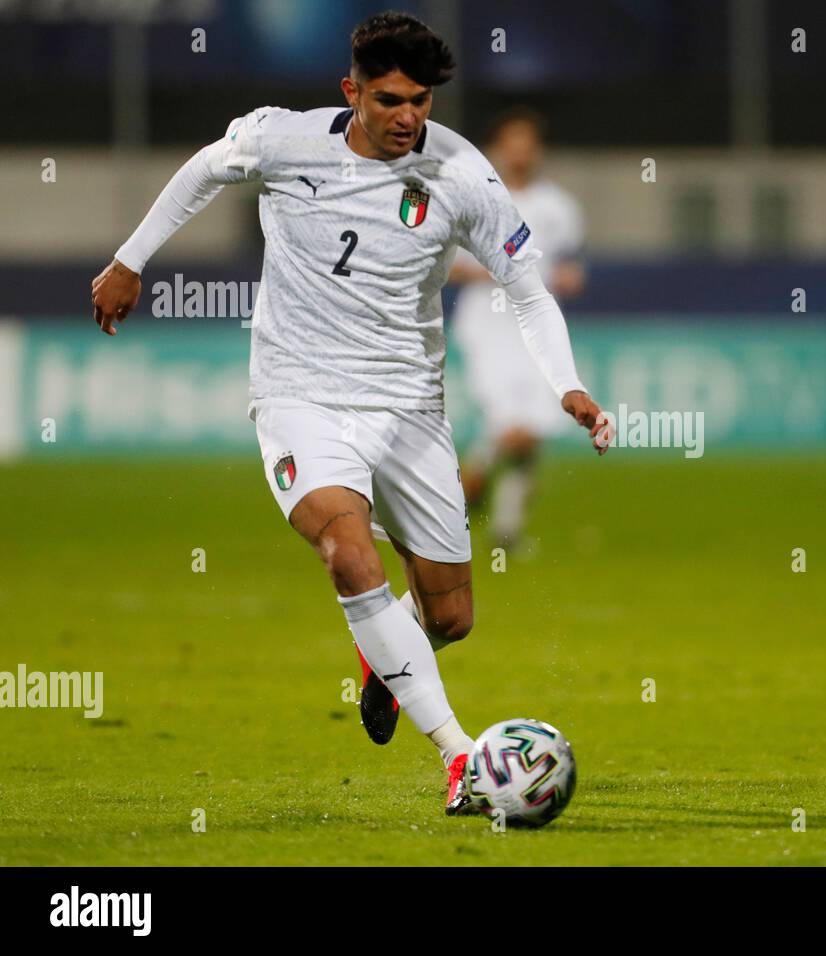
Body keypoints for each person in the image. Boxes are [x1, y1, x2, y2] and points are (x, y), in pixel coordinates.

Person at [89, 12, 608, 817]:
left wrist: (566, 386)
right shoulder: (283, 139)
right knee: (347, 548)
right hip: (300, 394)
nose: (409, 117)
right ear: (351, 92)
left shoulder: (463, 173)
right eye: (391, 99)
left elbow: (529, 291)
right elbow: (201, 169)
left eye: (422, 102)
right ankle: (462, 757)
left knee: (452, 615)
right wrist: (131, 258)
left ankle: (386, 662)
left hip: (408, 405)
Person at [447, 107, 586, 553]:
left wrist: (567, 278)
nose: (520, 151)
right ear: (497, 149)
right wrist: (495, 273)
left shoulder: (558, 206)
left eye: (528, 143)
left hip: (538, 326)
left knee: (533, 429)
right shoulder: (474, 200)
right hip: (488, 326)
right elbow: (445, 266)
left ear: (538, 150)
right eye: (512, 142)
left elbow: (567, 265)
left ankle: (500, 518)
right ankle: (469, 487)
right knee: (512, 426)